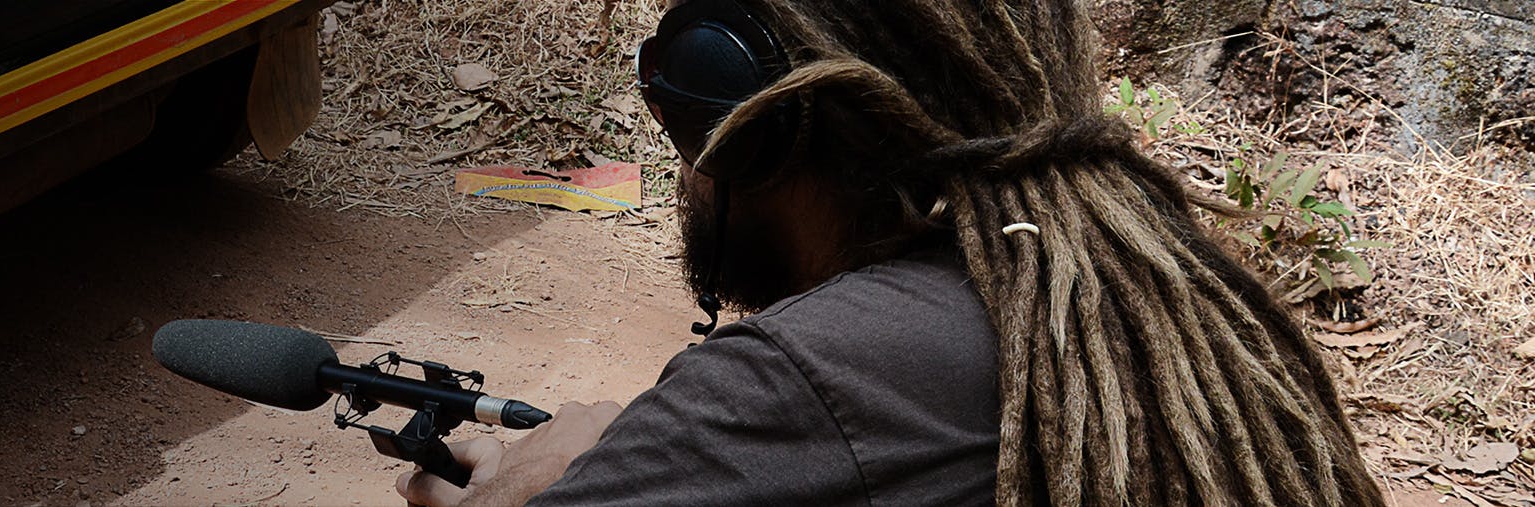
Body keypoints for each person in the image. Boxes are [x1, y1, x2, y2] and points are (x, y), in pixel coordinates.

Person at [394, 0, 1385, 505]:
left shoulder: (797, 381)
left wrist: (540, 484)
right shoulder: (1149, 288)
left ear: (762, 123)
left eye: (685, 112)